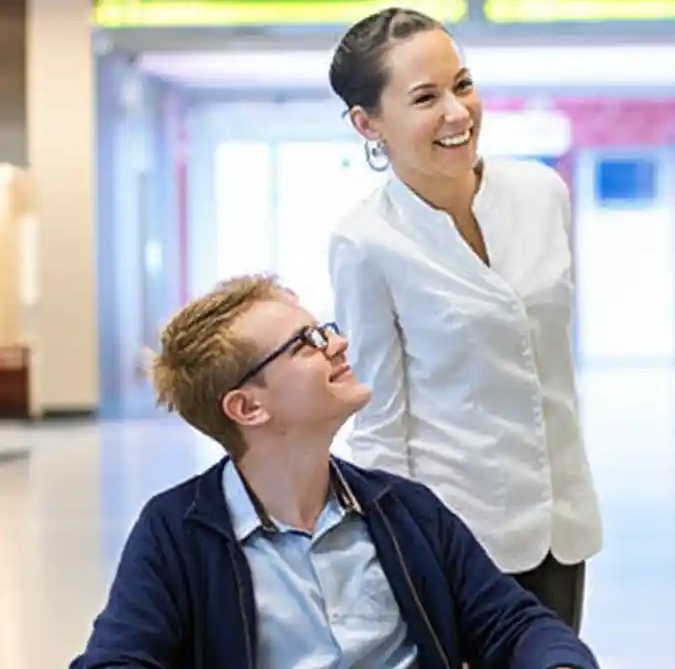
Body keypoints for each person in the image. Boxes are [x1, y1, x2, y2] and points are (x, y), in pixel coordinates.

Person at [72, 275, 598, 669]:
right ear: (248, 408)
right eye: (306, 344)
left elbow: (514, 624)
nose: (338, 344)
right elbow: (118, 659)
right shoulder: (176, 532)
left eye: (324, 330)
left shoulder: (406, 511)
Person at [325, 8, 602, 631]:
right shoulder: (366, 242)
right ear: (368, 124)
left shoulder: (541, 194)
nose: (457, 113)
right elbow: (380, 419)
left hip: (561, 524)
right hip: (454, 536)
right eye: (426, 98)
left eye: (464, 85)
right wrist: (391, 552)